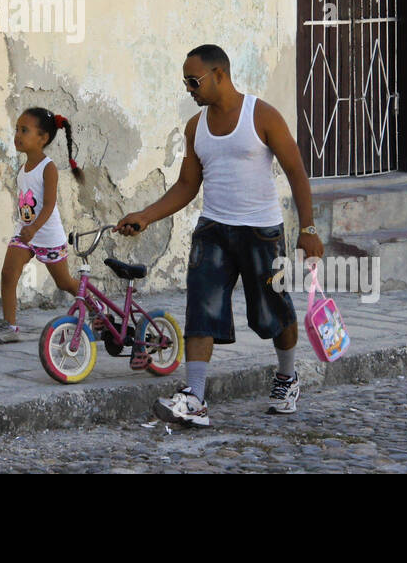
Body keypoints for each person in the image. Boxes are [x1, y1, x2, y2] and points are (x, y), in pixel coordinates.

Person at [115, 44, 323, 425]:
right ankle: (195, 397)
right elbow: (186, 185)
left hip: (261, 233)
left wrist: (308, 228)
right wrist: (146, 215)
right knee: (202, 308)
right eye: (185, 83)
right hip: (213, 231)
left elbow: (296, 170)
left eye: (193, 81)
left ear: (219, 75)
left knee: (272, 313)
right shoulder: (196, 128)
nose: (189, 90)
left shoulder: (261, 115)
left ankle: (287, 376)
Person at [0, 108, 88, 343]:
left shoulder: (48, 168)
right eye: (17, 130)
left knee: (65, 283)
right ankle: (9, 327)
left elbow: (49, 205)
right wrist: (26, 228)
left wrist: (34, 228)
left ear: (43, 139)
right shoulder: (23, 169)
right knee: (8, 273)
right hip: (25, 232)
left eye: (24, 130)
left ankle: (96, 309)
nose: (18, 135)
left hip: (47, 234)